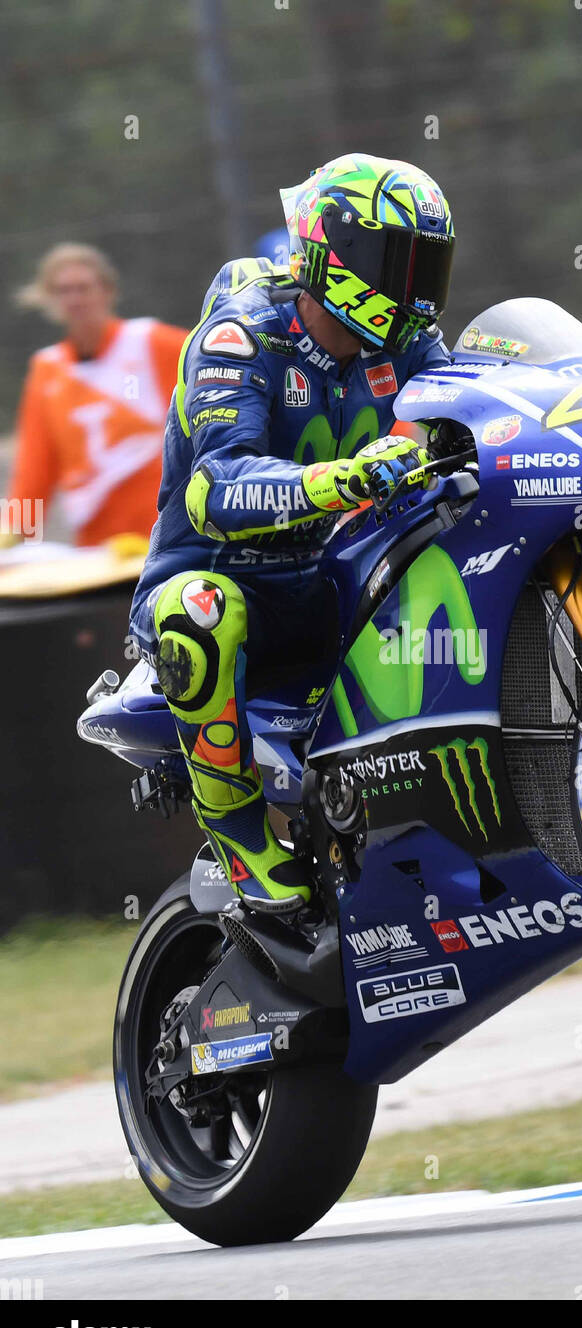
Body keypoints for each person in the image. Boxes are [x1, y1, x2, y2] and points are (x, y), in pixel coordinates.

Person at [130, 154, 455, 917]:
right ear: (333, 252)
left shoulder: (408, 346)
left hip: (334, 586)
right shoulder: (242, 337)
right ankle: (243, 843)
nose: (415, 287)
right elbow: (215, 489)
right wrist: (345, 478)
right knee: (198, 609)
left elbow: (469, 419)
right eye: (395, 261)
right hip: (222, 581)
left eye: (427, 266)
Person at [7, 244, 187, 548]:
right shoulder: (47, 368)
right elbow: (35, 465)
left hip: (164, 533)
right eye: (63, 290)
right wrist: (14, 531)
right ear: (49, 299)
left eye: (83, 288)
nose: (74, 299)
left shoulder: (152, 341)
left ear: (107, 290)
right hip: (96, 546)